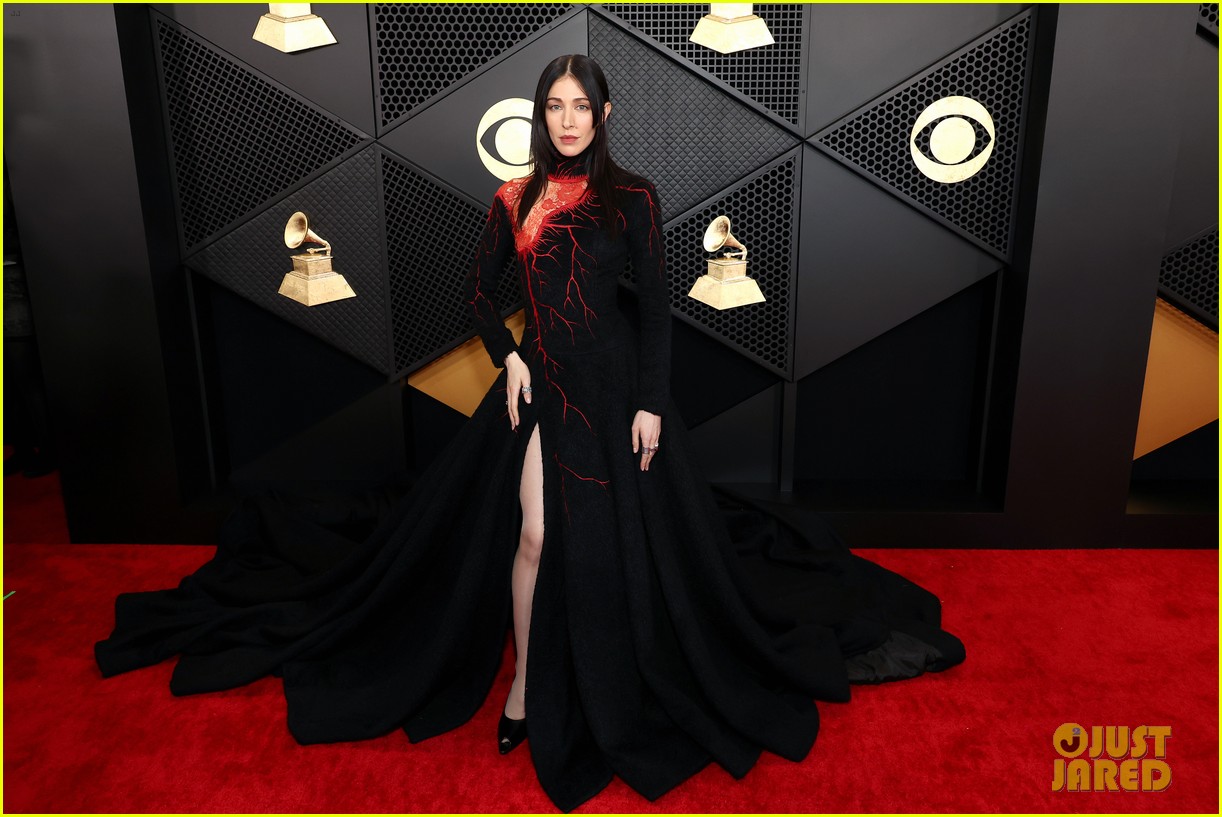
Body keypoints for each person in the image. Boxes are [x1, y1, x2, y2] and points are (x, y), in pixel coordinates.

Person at [96, 55, 964, 812]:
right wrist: (508, 359)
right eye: (555, 106)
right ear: (539, 115)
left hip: (621, 390)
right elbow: (479, 293)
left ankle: (620, 671)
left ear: (606, 113)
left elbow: (658, 309)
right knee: (541, 532)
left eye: (583, 105)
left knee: (629, 540)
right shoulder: (513, 197)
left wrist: (653, 402)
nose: (570, 119)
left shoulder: (634, 198)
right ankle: (522, 682)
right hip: (547, 388)